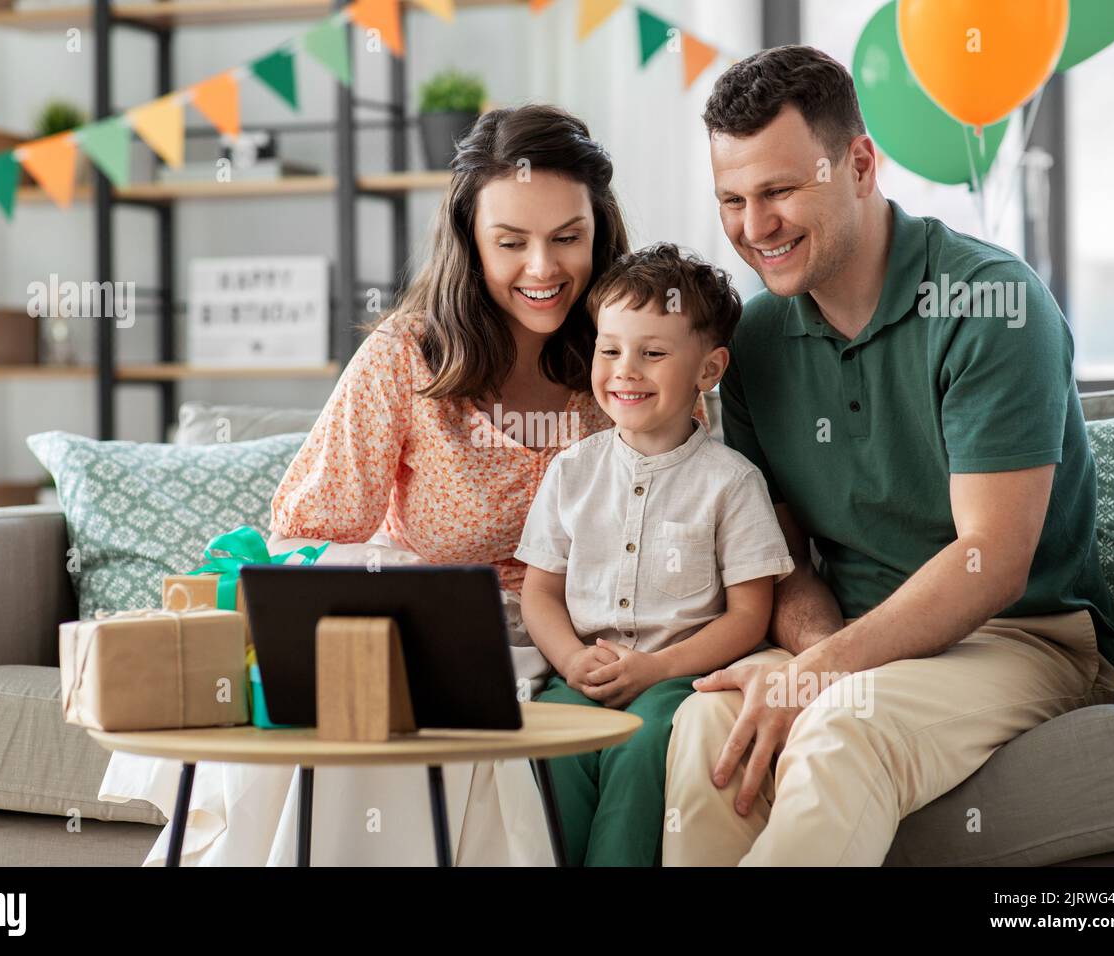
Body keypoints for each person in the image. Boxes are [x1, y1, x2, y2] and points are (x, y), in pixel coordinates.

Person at [99, 103, 699, 864]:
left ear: (600, 233)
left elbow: (695, 498)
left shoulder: (634, 357)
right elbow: (303, 532)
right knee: (372, 730)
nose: (542, 269)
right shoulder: (408, 356)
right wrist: (412, 589)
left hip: (584, 645)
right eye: (510, 242)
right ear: (471, 241)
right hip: (435, 634)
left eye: (567, 239)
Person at [663, 45, 1114, 867]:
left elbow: (992, 561)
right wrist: (818, 659)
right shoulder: (754, 340)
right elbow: (778, 557)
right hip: (849, 638)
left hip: (1022, 638)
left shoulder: (992, 304)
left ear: (860, 164)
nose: (753, 226)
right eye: (732, 199)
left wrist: (828, 676)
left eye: (778, 191)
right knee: (710, 724)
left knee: (846, 728)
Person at [516, 242, 792, 866]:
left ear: (709, 370)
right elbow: (540, 590)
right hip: (579, 675)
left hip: (677, 681)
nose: (625, 371)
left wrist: (655, 672)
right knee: (544, 745)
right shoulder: (571, 471)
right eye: (610, 350)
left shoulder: (733, 481)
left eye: (654, 353)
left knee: (641, 751)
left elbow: (750, 616)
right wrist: (571, 657)